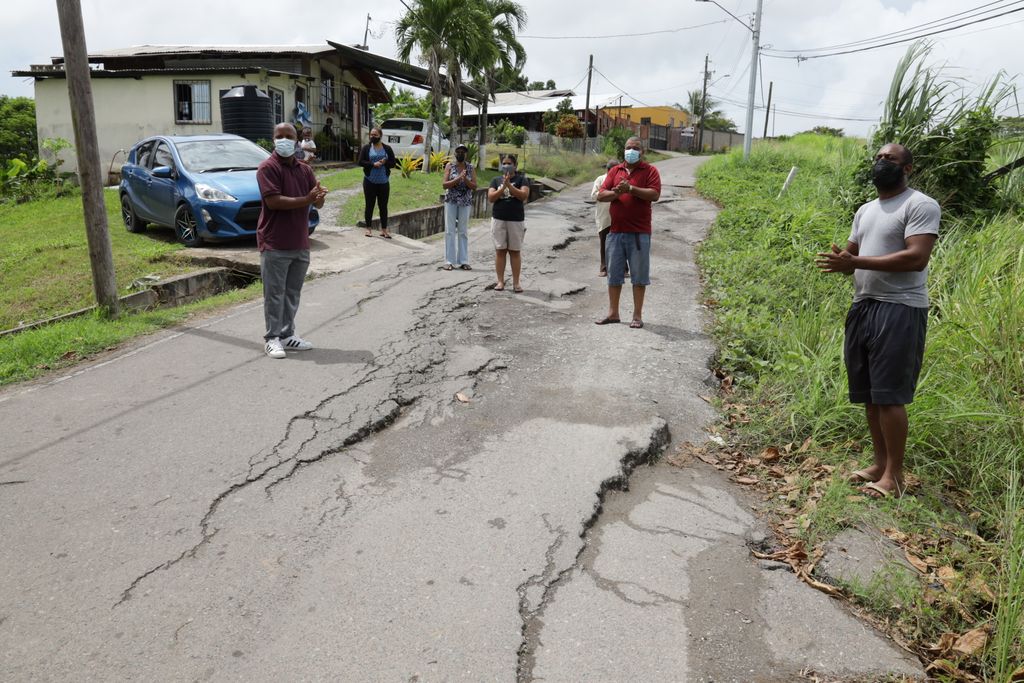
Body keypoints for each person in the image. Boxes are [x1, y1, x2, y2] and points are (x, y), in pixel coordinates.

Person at [816, 143, 940, 499]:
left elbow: (916, 257)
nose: (882, 162)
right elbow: (854, 253)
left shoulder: (920, 204)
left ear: (908, 168)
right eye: (879, 158)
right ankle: (879, 463)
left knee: (890, 396)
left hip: (900, 308)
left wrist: (855, 263)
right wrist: (842, 258)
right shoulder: (866, 209)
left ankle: (895, 476)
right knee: (870, 395)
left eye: (891, 159)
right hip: (864, 304)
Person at [257, 122, 328, 359]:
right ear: (274, 139)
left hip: (299, 241)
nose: (284, 140)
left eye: (289, 136)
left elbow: (315, 201)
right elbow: (274, 202)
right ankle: (272, 338)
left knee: (292, 293)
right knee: (274, 293)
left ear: (297, 141)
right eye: (280, 136)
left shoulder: (304, 170)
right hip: (275, 242)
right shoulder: (267, 168)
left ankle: (287, 335)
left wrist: (318, 197)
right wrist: (306, 198)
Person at [595, 137, 661, 328]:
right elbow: (601, 194)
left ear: (642, 151)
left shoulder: (650, 171)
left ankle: (637, 316)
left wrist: (631, 189)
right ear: (623, 150)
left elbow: (654, 194)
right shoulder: (615, 170)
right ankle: (613, 313)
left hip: (639, 233)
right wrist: (617, 192)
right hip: (615, 232)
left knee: (639, 277)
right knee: (613, 275)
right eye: (628, 148)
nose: (631, 150)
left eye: (635, 148)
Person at [487, 154, 530, 291]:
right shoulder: (495, 180)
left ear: (515, 166)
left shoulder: (522, 179)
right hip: (499, 218)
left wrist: (509, 186)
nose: (506, 166)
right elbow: (491, 198)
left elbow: (523, 195)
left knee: (514, 251)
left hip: (516, 220)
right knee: (500, 251)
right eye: (504, 163)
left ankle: (516, 283)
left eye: (509, 163)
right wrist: (502, 187)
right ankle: (500, 281)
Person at [442, 143, 478, 270]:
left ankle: (463, 260)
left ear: (466, 154)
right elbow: (445, 185)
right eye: (458, 151)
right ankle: (449, 261)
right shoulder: (449, 166)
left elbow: (474, 186)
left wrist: (465, 179)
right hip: (451, 200)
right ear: (455, 153)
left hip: (465, 201)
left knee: (463, 231)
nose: (461, 154)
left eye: (463, 151)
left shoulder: (470, 167)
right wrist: (458, 178)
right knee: (450, 231)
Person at [357, 126, 397, 239]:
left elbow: (393, 163)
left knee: (383, 206)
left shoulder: (387, 148)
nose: (372, 137)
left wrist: (385, 162)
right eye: (371, 135)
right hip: (369, 181)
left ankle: (384, 229)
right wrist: (373, 164)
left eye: (375, 135)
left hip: (384, 182)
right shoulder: (366, 148)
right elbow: (360, 162)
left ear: (380, 136)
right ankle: (368, 229)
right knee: (369, 205)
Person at [591, 160, 618, 276]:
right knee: (604, 243)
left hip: (619, 217)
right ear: (608, 170)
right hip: (604, 216)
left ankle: (623, 268)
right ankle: (604, 268)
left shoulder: (621, 180)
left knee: (620, 243)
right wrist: (609, 194)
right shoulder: (601, 179)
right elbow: (594, 195)